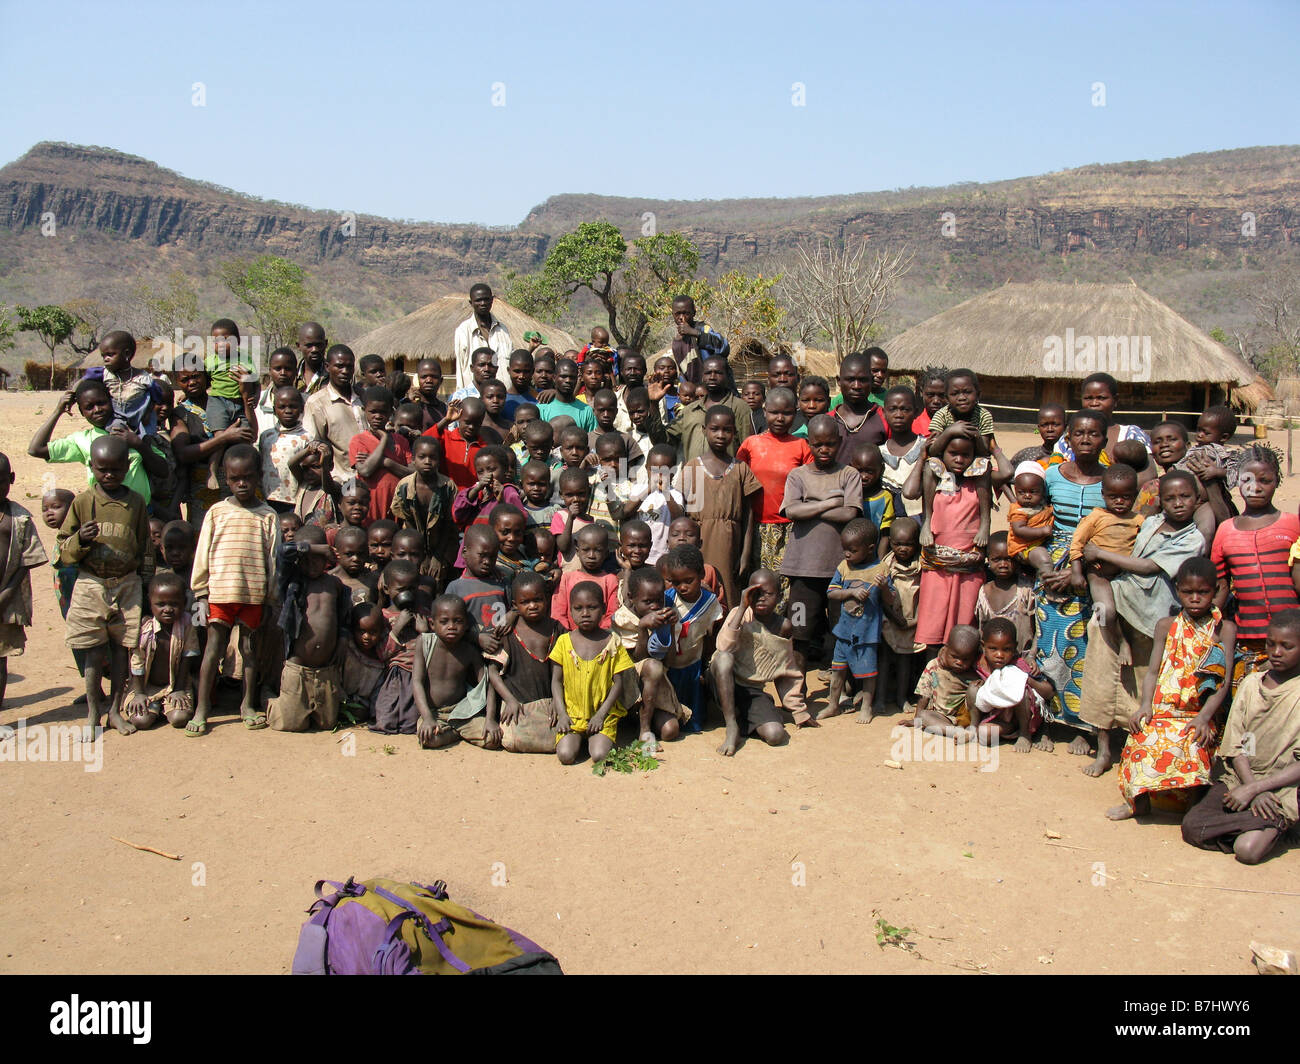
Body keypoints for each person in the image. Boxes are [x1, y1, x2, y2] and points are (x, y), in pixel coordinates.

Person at [1106, 556, 1234, 820]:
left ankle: (1193, 808)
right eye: (1188, 592)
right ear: (1178, 590)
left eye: (1203, 592)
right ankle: (1139, 803)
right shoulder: (1167, 626)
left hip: (1199, 712)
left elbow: (1223, 682)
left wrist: (1204, 717)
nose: (1195, 598)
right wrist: (1144, 706)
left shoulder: (1223, 629)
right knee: (1141, 736)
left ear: (1216, 591)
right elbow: (1153, 671)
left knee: (1195, 741)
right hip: (1164, 709)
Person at [1179, 608, 1300, 864]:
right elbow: (1236, 746)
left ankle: (1273, 821)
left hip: (1283, 785)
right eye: (1271, 644)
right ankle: (1263, 822)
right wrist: (1249, 788)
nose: (1276, 652)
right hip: (1239, 778)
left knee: (1246, 850)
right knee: (1193, 827)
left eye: (1287, 646)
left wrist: (1258, 788)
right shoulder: (1251, 684)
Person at [56, 436, 149, 738]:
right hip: (91, 583)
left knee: (122, 649)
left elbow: (145, 545)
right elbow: (63, 550)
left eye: (115, 469)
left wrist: (144, 581)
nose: (109, 475)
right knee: (93, 651)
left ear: (127, 466)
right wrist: (80, 539)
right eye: (102, 469)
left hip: (127, 584)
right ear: (91, 466)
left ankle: (115, 711)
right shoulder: (83, 502)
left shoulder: (135, 502)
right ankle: (93, 712)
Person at [190, 445, 281, 735]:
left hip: (253, 595)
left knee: (249, 651)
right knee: (213, 651)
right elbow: (202, 553)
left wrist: (270, 598)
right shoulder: (217, 512)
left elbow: (273, 560)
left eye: (248, 477)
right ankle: (203, 707)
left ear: (258, 477)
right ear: (226, 479)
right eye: (234, 478)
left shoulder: (267, 516)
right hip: (220, 594)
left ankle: (247, 704)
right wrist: (200, 592)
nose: (242, 483)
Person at [1036, 411, 1107, 751]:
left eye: (1093, 434)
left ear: (1104, 440)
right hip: (1050, 568)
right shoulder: (1052, 476)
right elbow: (1035, 515)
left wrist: (1078, 565)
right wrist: (1047, 565)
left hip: (1092, 568)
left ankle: (1083, 726)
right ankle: (1045, 720)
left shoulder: (1112, 481)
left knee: (1086, 649)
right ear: (1069, 438)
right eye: (1079, 433)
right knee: (1047, 644)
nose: (1085, 439)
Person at [781, 415, 863, 670]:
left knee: (843, 628)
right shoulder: (797, 476)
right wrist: (828, 503)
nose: (824, 449)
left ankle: (842, 686)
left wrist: (809, 506)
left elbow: (849, 513)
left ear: (839, 443)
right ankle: (797, 688)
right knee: (799, 628)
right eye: (818, 444)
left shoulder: (849, 475)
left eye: (830, 444)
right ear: (809, 444)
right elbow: (791, 511)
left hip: (840, 569)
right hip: (802, 568)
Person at [1213, 445, 1299, 674]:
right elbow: (1221, 585)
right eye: (1248, 480)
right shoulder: (1225, 530)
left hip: (1294, 640)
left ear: (1277, 481)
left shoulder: (1293, 524)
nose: (1255, 487)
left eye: (1265, 480)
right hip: (1248, 639)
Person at [29, 378, 166, 506]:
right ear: (82, 413)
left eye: (101, 403)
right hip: (102, 511)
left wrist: (138, 444)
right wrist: (58, 411)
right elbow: (36, 449)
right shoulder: (81, 440)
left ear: (112, 402)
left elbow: (163, 471)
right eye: (89, 407)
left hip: (139, 511)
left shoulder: (133, 431)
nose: (97, 410)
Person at [711, 569, 805, 752]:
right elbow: (723, 647)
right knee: (724, 659)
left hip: (751, 689)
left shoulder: (783, 626)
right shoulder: (740, 614)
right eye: (756, 593)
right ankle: (732, 726)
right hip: (721, 680)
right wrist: (742, 607)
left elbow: (786, 669)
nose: (761, 598)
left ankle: (743, 716)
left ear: (779, 597)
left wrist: (798, 709)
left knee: (775, 734)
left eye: (768, 594)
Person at [1068, 463, 1144, 678]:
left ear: (1135, 495)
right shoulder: (1096, 517)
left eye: (1126, 497)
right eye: (1113, 497)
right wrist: (1076, 572)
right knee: (1105, 611)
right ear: (1103, 494)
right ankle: (1120, 642)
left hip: (1127, 575)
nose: (1119, 502)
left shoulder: (1138, 520)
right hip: (1099, 574)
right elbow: (1077, 544)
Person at [679, 407, 759, 608]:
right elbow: (681, 511)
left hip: (729, 544)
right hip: (698, 543)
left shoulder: (740, 468)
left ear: (734, 432)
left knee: (727, 597)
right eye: (715, 429)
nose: (721, 435)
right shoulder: (692, 467)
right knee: (698, 594)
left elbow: (749, 515)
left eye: (727, 430)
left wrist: (745, 555)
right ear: (705, 430)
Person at [735, 388, 810, 601]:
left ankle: (784, 629)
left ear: (795, 413)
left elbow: (810, 484)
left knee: (784, 586)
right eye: (774, 412)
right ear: (765, 411)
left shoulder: (801, 445)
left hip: (791, 526)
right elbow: (738, 480)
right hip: (756, 526)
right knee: (758, 583)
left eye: (786, 413)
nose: (780, 418)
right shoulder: (751, 444)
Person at [915, 434, 990, 649]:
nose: (959, 459)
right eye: (953, 454)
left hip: (968, 561)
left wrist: (985, 525)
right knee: (933, 621)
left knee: (964, 622)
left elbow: (1007, 472)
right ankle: (932, 675)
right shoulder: (935, 473)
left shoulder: (979, 476)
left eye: (966, 455)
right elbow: (911, 491)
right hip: (936, 560)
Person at [549, 581, 635, 765]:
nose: (585, 613)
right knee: (565, 755)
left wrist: (600, 715)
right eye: (578, 608)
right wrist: (562, 714)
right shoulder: (564, 642)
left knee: (599, 755)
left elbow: (617, 683)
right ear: (570, 611)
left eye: (592, 607)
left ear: (603, 608)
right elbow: (556, 681)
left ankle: (597, 738)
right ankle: (578, 738)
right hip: (572, 713)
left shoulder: (612, 641)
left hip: (601, 713)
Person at [610, 565, 690, 748]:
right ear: (631, 598)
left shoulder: (668, 614)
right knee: (653, 666)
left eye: (659, 600)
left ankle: (644, 718)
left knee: (670, 731)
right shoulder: (623, 619)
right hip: (629, 684)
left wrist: (669, 627)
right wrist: (642, 628)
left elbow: (669, 662)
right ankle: (644, 730)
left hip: (655, 685)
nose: (654, 606)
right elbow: (638, 660)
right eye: (647, 602)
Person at [486, 571, 561, 753]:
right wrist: (510, 700)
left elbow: (562, 674)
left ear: (548, 599)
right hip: (518, 704)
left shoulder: (557, 629)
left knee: (559, 741)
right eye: (525, 602)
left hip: (550, 702)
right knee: (511, 741)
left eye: (538, 600)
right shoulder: (508, 632)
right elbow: (493, 672)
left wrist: (559, 703)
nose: (532, 606)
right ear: (515, 606)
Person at [169, 368, 252, 525]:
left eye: (196, 376)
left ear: (205, 376)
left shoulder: (226, 403)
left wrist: (246, 395)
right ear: (177, 382)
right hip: (203, 485)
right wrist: (224, 437)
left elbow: (250, 434)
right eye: (185, 379)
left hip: (238, 482)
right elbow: (182, 454)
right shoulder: (180, 413)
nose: (192, 382)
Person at [824, 518, 886, 722]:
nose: (847, 554)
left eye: (852, 550)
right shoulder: (844, 567)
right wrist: (851, 592)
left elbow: (891, 600)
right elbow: (831, 593)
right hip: (844, 631)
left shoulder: (880, 570)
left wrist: (884, 587)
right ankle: (833, 704)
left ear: (869, 549)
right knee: (838, 671)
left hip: (866, 633)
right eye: (845, 549)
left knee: (868, 674)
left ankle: (866, 707)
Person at [411, 596, 492, 749]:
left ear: (466, 624)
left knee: (491, 739)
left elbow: (486, 684)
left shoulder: (469, 650)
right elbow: (417, 682)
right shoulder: (425, 642)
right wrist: (427, 717)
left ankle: (454, 731)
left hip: (463, 712)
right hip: (435, 713)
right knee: (428, 739)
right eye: (444, 622)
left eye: (458, 621)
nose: (451, 626)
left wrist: (490, 719)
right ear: (432, 624)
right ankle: (456, 733)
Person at [0, 453, 48, 711]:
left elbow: (27, 560)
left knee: (0, 660)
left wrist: (7, 594)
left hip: (6, 601)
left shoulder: (19, 518)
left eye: (0, 482)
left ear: (11, 479)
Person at [122, 570, 199, 730]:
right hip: (146, 686)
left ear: (184, 603)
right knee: (141, 721)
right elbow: (137, 663)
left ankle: (165, 707)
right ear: (150, 603)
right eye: (161, 604)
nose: (168, 609)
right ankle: (155, 706)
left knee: (179, 718)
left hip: (176, 684)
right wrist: (139, 693)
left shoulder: (186, 624)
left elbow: (187, 658)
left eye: (174, 604)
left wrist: (178, 689)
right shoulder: (145, 628)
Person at [661, 543, 724, 731]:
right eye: (676, 582)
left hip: (693, 665)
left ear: (701, 575)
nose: (682, 587)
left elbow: (711, 635)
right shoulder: (666, 600)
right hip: (670, 666)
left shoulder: (710, 602)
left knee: (696, 720)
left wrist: (706, 664)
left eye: (689, 580)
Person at [968, 618, 1053, 751]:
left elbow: (1049, 692)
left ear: (1014, 648)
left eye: (1006, 649)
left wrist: (1028, 680)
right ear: (983, 646)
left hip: (1018, 716)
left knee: (1022, 689)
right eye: (993, 648)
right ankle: (973, 727)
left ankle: (1024, 733)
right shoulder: (978, 663)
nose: (999, 655)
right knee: (973, 689)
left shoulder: (1019, 666)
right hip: (996, 715)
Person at [390, 434, 458, 586]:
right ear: (413, 459)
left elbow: (449, 524)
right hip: (413, 546)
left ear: (439, 460)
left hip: (443, 543)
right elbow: (407, 521)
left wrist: (438, 557)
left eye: (432, 457)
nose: (427, 461)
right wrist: (423, 557)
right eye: (422, 457)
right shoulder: (404, 486)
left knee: (439, 580)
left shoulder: (448, 487)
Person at [877, 517, 923, 714]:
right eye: (897, 544)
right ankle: (879, 698)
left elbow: (926, 595)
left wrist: (915, 621)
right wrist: (895, 618)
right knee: (885, 659)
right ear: (891, 543)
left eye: (908, 544)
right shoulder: (886, 565)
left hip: (913, 620)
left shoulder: (922, 566)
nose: (903, 548)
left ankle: (901, 697)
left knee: (906, 660)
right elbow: (881, 595)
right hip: (890, 619)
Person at [668, 356, 752, 464]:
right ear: (702, 376)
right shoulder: (689, 410)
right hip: (694, 477)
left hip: (726, 477)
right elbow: (665, 440)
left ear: (727, 376)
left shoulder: (740, 408)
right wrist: (653, 405)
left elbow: (748, 449)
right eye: (708, 373)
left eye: (718, 372)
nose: (712, 377)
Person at [1054, 372, 1152, 464]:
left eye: (1101, 398)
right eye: (1088, 398)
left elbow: (1148, 472)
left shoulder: (1132, 435)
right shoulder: (1067, 440)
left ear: (1115, 400)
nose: (1094, 403)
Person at [348, 387, 412, 523]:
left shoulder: (401, 441)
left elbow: (411, 474)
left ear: (391, 412)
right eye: (373, 412)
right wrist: (383, 439)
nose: (378, 416)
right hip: (371, 505)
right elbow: (365, 470)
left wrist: (385, 462)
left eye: (383, 412)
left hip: (397, 505)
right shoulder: (359, 440)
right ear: (364, 411)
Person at [84, 330, 165, 435]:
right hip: (116, 417)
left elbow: (156, 396)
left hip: (139, 417)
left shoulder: (143, 378)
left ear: (127, 354)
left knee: (146, 438)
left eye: (110, 355)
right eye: (103, 356)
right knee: (117, 432)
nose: (105, 359)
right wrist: (72, 394)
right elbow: (83, 380)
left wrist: (148, 412)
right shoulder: (103, 373)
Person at [304, 345, 367, 479]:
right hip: (343, 480)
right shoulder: (317, 403)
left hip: (372, 476)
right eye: (339, 366)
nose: (345, 371)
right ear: (327, 367)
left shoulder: (365, 397)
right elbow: (314, 445)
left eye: (349, 367)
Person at [911, 625, 982, 740]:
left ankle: (972, 730)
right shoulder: (934, 666)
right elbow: (924, 694)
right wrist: (916, 719)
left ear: (974, 657)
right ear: (946, 649)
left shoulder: (975, 672)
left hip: (964, 717)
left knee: (975, 689)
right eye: (954, 656)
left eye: (965, 659)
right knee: (923, 716)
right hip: (941, 717)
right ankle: (956, 732)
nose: (959, 662)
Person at [975, 532, 1036, 659]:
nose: (1003, 564)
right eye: (996, 559)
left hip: (1024, 660)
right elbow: (981, 628)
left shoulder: (1026, 590)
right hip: (993, 661)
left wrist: (1031, 656)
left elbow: (1039, 629)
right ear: (988, 560)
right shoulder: (983, 592)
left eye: (1009, 559)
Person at [627, 444, 686, 565]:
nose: (658, 475)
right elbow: (627, 511)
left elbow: (679, 517)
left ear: (673, 472)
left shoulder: (675, 495)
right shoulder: (638, 489)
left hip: (663, 556)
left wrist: (665, 492)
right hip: (638, 555)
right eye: (654, 470)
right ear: (646, 468)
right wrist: (649, 489)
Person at [258, 385, 313, 514]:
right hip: (267, 496)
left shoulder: (307, 438)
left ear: (301, 409)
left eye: (293, 406)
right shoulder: (266, 436)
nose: (287, 411)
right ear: (274, 409)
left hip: (294, 499)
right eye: (282, 407)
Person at [553, 524, 619, 629]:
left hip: (601, 639)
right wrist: (567, 635)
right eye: (586, 549)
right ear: (577, 550)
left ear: (606, 553)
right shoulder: (567, 579)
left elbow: (613, 614)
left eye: (598, 550)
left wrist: (599, 635)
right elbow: (558, 613)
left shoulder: (610, 580)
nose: (591, 555)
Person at [453, 283, 512, 391]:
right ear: (471, 303)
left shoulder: (503, 329)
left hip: (501, 397)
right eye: (478, 300)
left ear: (492, 300)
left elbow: (510, 362)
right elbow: (461, 367)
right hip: (474, 399)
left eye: (486, 299)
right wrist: (462, 396)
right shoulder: (463, 331)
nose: (483, 303)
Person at [340, 603, 393, 724]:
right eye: (361, 631)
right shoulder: (347, 651)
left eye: (373, 632)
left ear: (381, 632)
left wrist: (374, 714)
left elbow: (377, 692)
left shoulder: (381, 660)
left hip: (365, 703)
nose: (366, 637)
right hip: (342, 699)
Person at [831, 353, 888, 460]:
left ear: (871, 381)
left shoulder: (884, 418)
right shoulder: (828, 420)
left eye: (862, 380)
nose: (856, 386)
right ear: (839, 381)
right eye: (850, 379)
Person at [879, 386, 926, 517]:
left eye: (905, 409)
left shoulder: (926, 447)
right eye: (892, 409)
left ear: (916, 412)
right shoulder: (879, 453)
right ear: (883, 413)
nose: (899, 415)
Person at [1006, 463, 1055, 580]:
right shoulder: (1019, 510)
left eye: (1033, 492)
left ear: (1043, 491)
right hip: (1026, 547)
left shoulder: (1042, 505)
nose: (1027, 496)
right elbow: (1019, 530)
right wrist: (1042, 531)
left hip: (1039, 543)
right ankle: (1047, 587)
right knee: (1045, 562)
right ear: (1016, 490)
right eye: (1021, 492)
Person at [668, 294, 728, 386]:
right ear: (673, 315)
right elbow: (684, 372)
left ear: (694, 313)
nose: (681, 317)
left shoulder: (703, 329)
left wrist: (696, 333)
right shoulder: (676, 343)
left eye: (686, 313)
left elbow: (723, 347)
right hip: (694, 393)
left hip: (713, 387)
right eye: (677, 314)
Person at [850, 441, 898, 538]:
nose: (863, 476)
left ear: (881, 469)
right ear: (851, 468)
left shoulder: (885, 498)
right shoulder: (847, 495)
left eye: (870, 471)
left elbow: (885, 533)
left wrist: (881, 554)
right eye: (859, 471)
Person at [252, 347, 301, 438]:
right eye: (278, 369)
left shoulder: (306, 402)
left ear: (296, 371)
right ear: (270, 371)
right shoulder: (256, 401)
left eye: (288, 369)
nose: (283, 373)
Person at [538, 358, 597, 432]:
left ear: (577, 379)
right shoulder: (542, 408)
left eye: (572, 377)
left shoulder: (586, 411)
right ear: (554, 378)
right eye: (563, 376)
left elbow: (592, 440)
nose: (568, 381)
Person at [911, 367, 948, 437]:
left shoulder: (957, 424)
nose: (936, 401)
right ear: (922, 392)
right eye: (930, 395)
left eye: (942, 395)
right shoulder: (913, 429)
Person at [295, 322, 329, 396]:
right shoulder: (291, 375)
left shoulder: (334, 375)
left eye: (318, 345)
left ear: (326, 344)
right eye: (309, 345)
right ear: (298, 346)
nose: (314, 350)